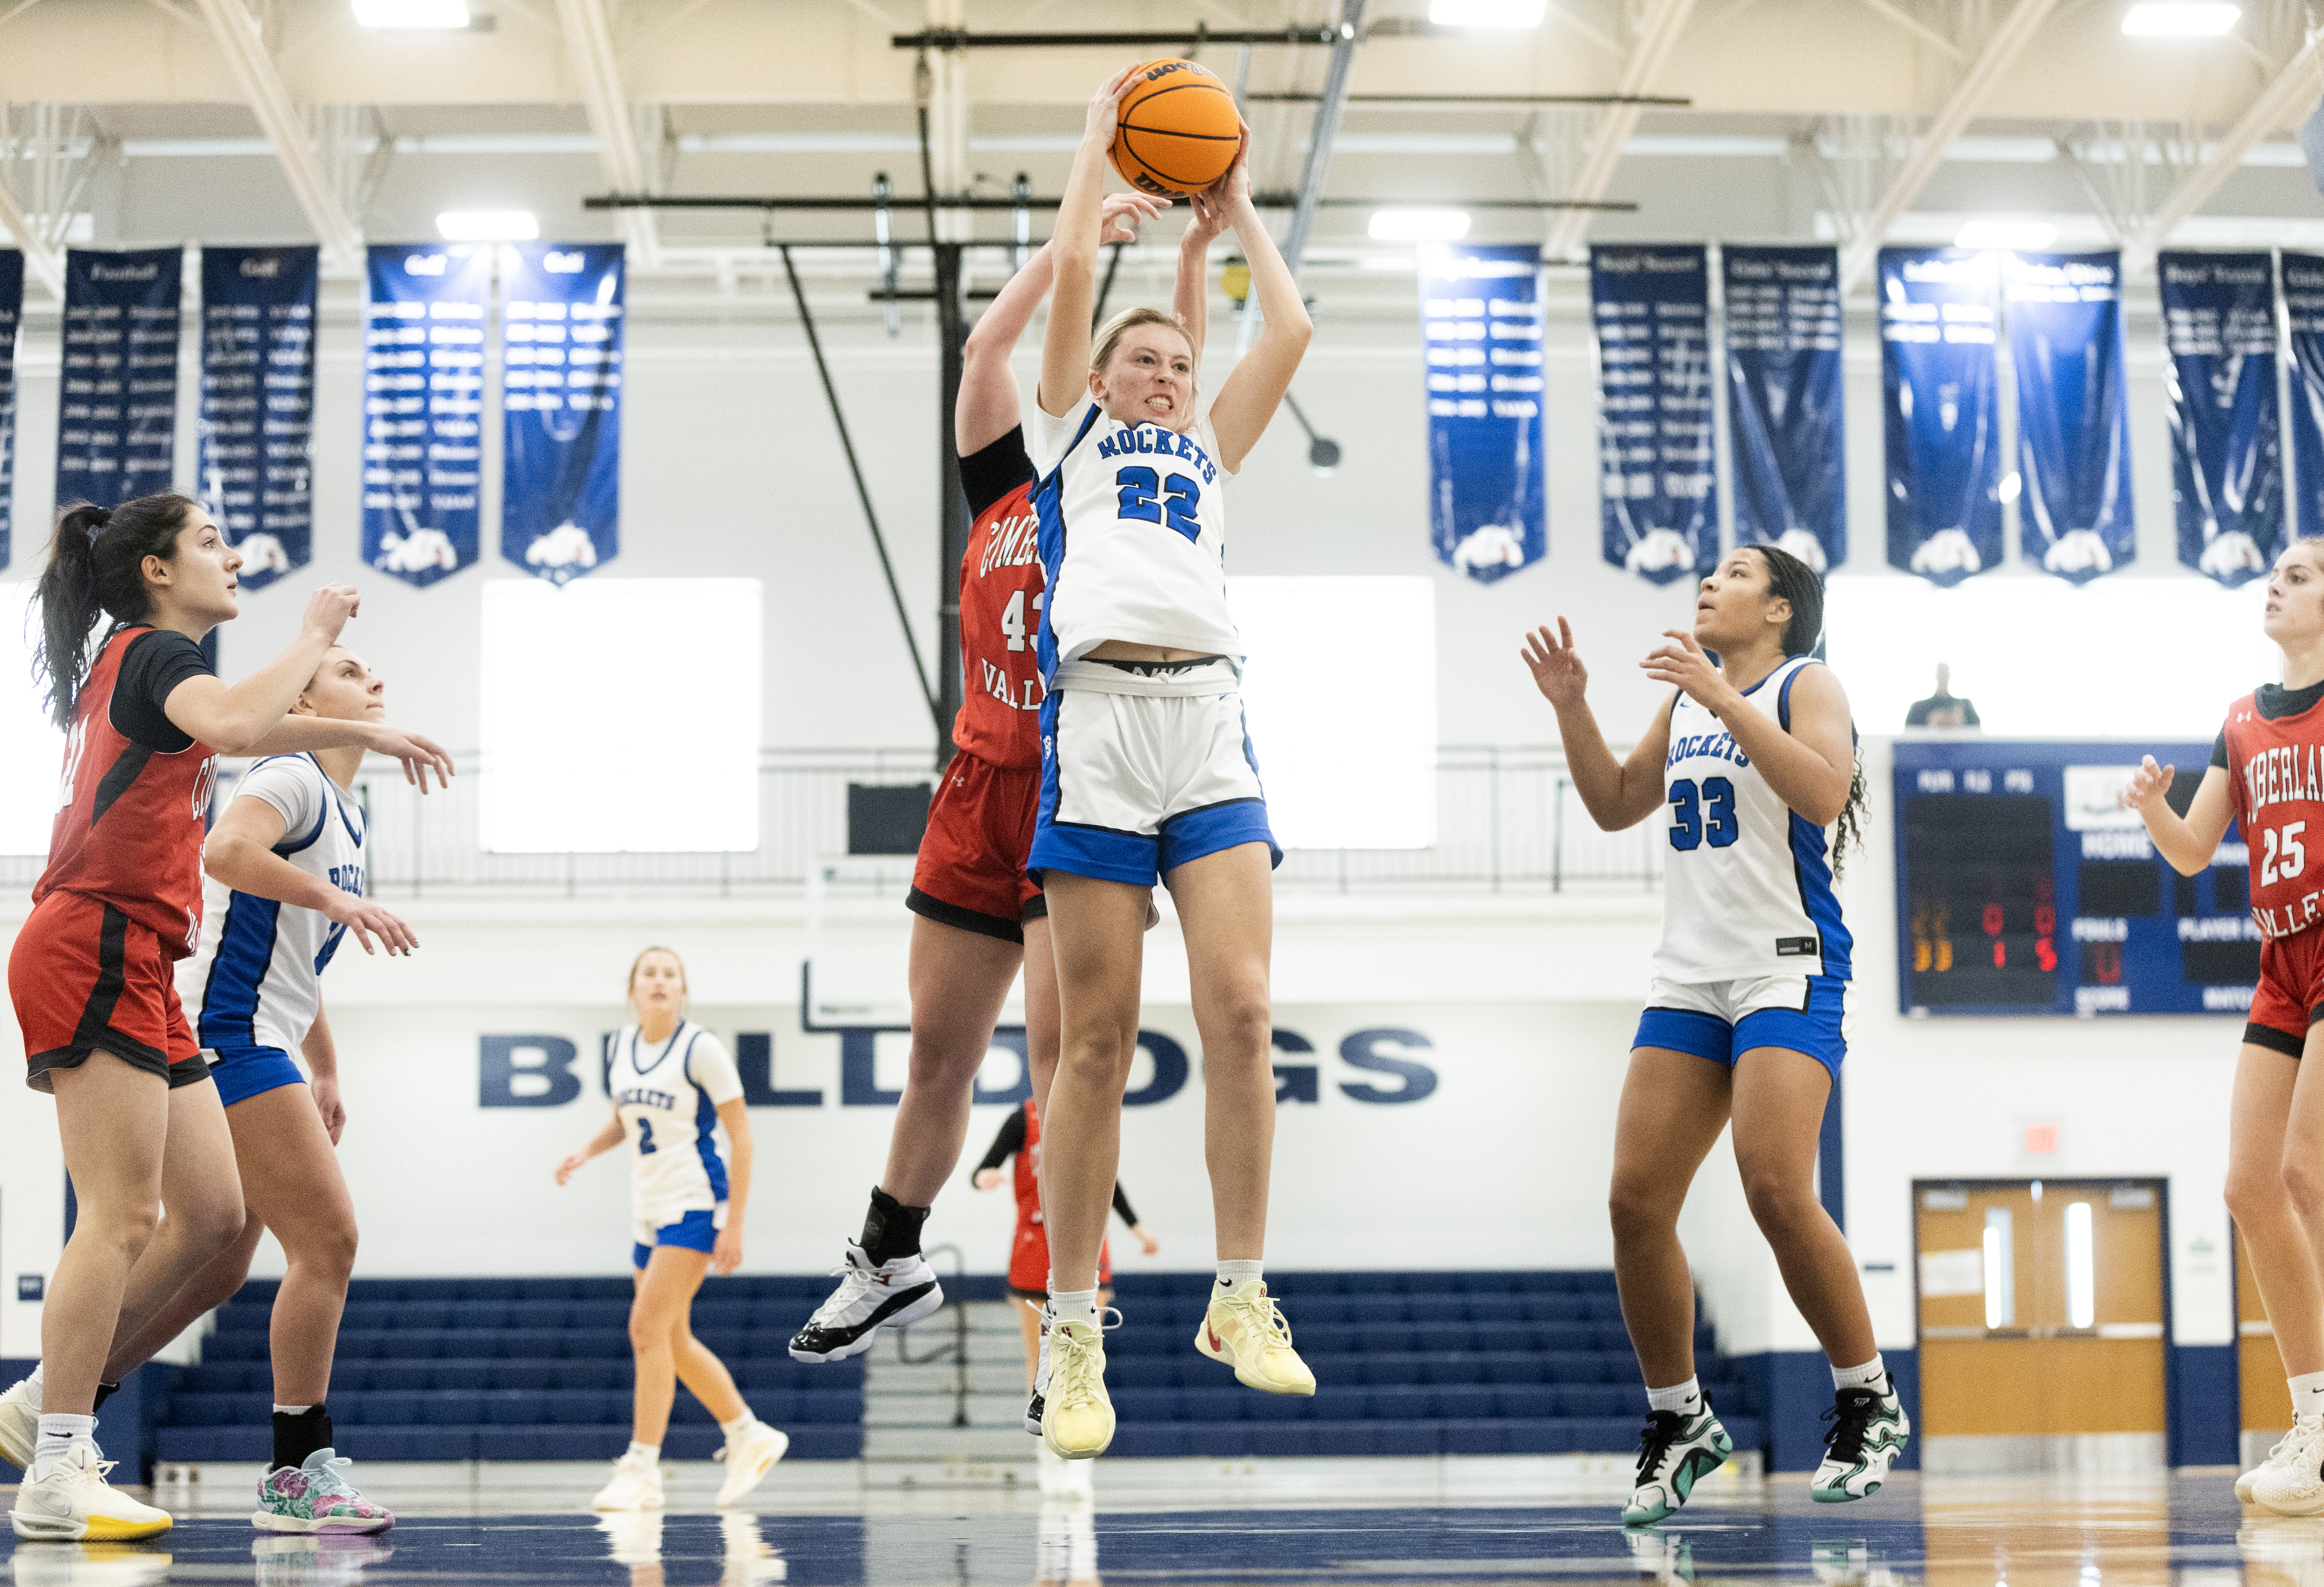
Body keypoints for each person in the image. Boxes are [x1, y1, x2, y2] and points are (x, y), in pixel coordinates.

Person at [786, 190, 1216, 1365]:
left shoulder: (1133, 497)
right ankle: (888, 1251)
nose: (1146, 375)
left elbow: (1173, 384)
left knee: (1055, 1054)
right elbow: (986, 349)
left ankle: (1070, 1319)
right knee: (937, 1053)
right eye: (1124, 358)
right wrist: (1071, 243)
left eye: (1150, 367)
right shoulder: (1001, 492)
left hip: (1079, 785)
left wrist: (1187, 266)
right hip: (976, 782)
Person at [3, 494, 449, 1542]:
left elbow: (257, 721)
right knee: (124, 1215)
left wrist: (365, 730)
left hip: (148, 959)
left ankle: (36, 1409)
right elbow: (249, 727)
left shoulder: (162, 671)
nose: (231, 553)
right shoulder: (154, 652)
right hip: (94, 935)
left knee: (215, 1225)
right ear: (156, 572)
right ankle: (59, 1461)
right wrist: (314, 638)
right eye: (208, 540)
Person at [1023, 66, 1316, 1464]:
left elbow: (1295, 324)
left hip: (1206, 724)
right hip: (1094, 727)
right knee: (1090, 1043)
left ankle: (1239, 1292)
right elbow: (1079, 259)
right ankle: (1073, 1327)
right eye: (1141, 357)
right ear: (1093, 378)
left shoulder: (1203, 448)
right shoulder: (1064, 434)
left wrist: (1236, 215)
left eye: (1177, 361)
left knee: (1245, 1015)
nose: (1163, 371)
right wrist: (1096, 147)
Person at [1519, 543, 1906, 1525]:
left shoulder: (1803, 681)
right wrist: (1571, 707)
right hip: (1689, 972)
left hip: (1787, 960)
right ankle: (1678, 1417)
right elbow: (1614, 804)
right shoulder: (1684, 698)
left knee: (1774, 1184)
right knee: (1632, 1200)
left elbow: (1823, 792)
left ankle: (1866, 1396)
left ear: (1778, 608)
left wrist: (1719, 695)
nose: (1708, 582)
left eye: (1733, 573)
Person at [2122, 540, 2324, 1515]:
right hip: (2278, 960)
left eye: (2297, 574)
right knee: (2248, 1185)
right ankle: (2312, 1420)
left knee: (2302, 1169)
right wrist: (2155, 808)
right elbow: (2194, 853)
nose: (2274, 584)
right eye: (2271, 573)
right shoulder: (2239, 720)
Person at [556, 947, 788, 1513]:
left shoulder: (700, 1048)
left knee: (644, 1329)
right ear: (632, 989)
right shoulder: (622, 1046)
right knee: (672, 1340)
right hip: (648, 1209)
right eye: (649, 974)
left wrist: (733, 1223)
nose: (660, 982)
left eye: (670, 974)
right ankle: (746, 1433)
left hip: (695, 1204)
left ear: (683, 990)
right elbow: (624, 1118)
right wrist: (586, 1150)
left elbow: (744, 1137)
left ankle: (641, 1468)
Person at [970, 1097, 1158, 1495]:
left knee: (1083, 1353)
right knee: (1039, 1360)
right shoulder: (1024, 1117)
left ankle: (1081, 1462)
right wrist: (984, 1176)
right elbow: (985, 1164)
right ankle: (1046, 1453)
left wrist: (1137, 1228)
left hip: (1089, 1242)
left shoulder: (1093, 1104)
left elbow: (1110, 1182)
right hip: (1035, 1244)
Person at [1904, 663, 1979, 730]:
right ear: (1937, 675)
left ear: (1949, 676)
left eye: (1945, 674)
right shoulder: (1918, 708)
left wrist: (1961, 722)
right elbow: (1909, 735)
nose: (1943, 677)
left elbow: (1977, 732)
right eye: (1941, 673)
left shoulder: (1965, 705)